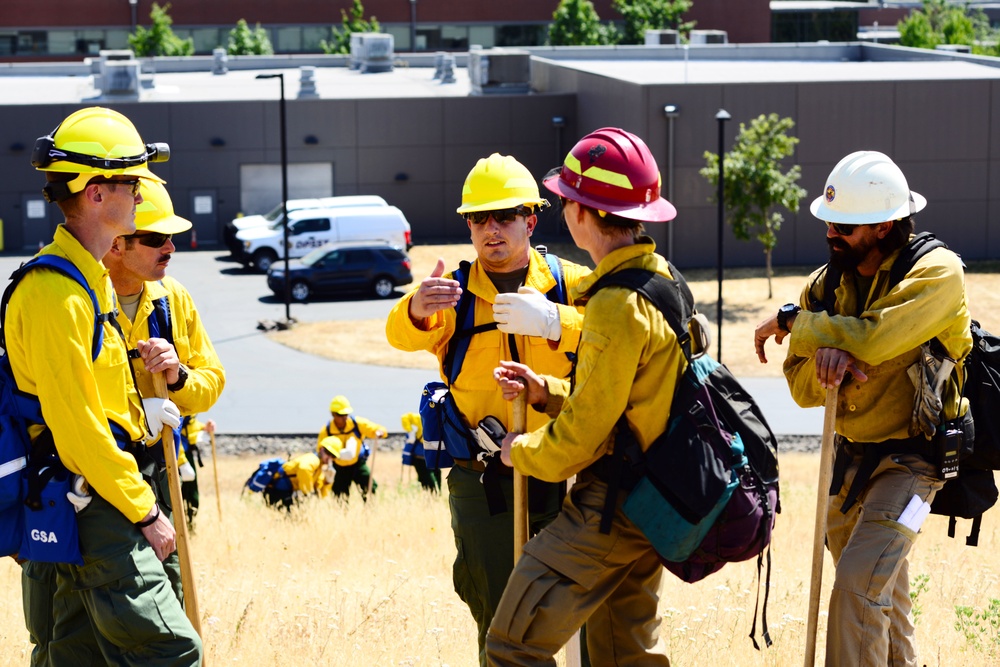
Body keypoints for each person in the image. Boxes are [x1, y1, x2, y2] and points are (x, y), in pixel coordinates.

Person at [753, 150, 972, 666]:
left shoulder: (937, 274)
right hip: (851, 465)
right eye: (829, 222)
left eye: (846, 227)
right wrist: (825, 354)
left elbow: (875, 339)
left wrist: (799, 325)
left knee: (857, 587)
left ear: (885, 225)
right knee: (881, 590)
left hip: (918, 467)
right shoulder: (826, 285)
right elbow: (802, 387)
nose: (832, 233)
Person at [12, 107, 201, 665]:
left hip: (94, 492)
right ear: (95, 192)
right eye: (133, 182)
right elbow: (78, 429)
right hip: (94, 500)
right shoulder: (57, 294)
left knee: (75, 655)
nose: (143, 195)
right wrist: (146, 511)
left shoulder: (85, 281)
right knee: (169, 650)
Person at [483, 127, 679, 665]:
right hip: (655, 497)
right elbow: (622, 396)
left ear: (581, 212)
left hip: (612, 501)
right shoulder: (661, 280)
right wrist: (546, 391)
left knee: (512, 646)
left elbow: (584, 436)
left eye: (567, 199)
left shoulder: (617, 302)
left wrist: (517, 451)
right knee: (625, 653)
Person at [386, 152, 590, 666]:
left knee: (577, 614)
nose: (491, 230)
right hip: (483, 484)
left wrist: (554, 320)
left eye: (504, 217)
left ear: (531, 219)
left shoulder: (572, 283)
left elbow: (621, 336)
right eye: (479, 219)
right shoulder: (453, 293)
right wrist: (415, 308)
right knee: (499, 618)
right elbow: (399, 335)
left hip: (569, 476)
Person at [105, 178, 226, 605]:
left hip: (159, 473)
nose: (170, 249)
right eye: (156, 238)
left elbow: (211, 381)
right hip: (96, 482)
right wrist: (138, 410)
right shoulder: (78, 298)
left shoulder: (173, 299)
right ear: (116, 243)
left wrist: (177, 378)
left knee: (169, 599)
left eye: (171, 238)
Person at [317, 395, 386, 500]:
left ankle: (370, 509)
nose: (344, 417)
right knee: (339, 494)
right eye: (341, 414)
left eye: (346, 414)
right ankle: (343, 513)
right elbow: (320, 449)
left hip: (357, 464)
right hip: (338, 467)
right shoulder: (327, 430)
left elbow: (378, 429)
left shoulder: (357, 424)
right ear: (333, 414)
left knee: (370, 486)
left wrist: (380, 432)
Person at [263, 441, 339, 510]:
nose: (329, 457)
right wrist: (309, 495)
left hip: (285, 493)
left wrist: (328, 482)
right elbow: (304, 469)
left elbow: (320, 494)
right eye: (328, 453)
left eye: (333, 456)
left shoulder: (319, 468)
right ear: (321, 449)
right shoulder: (313, 459)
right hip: (278, 492)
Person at [401, 412, 442, 492]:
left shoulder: (444, 420)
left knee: (436, 477)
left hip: (435, 456)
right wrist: (410, 432)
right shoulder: (423, 418)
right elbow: (405, 417)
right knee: (428, 480)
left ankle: (435, 497)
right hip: (421, 457)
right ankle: (431, 497)